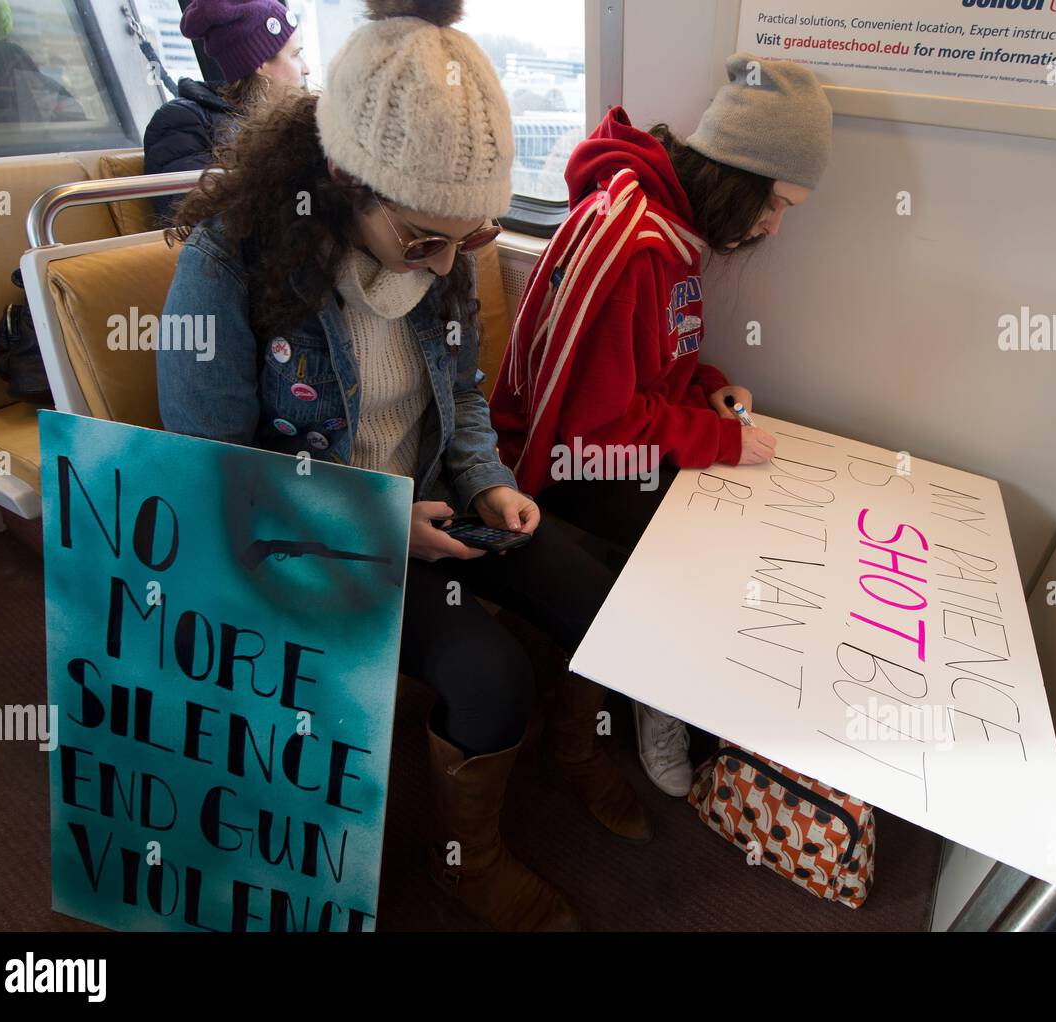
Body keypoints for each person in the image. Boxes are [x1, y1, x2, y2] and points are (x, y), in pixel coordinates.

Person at [155, 0, 649, 933]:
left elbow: (461, 395)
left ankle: (575, 752)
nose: (444, 264)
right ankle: (468, 866)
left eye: (469, 239)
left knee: (600, 594)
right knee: (490, 675)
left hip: (428, 508)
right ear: (347, 181)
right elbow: (211, 478)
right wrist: (376, 524)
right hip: (314, 542)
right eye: (423, 240)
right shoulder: (226, 267)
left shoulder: (441, 247)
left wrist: (488, 481)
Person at [489, 53, 833, 798]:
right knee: (698, 539)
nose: (774, 226)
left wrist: (708, 388)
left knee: (728, 507)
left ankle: (677, 684)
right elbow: (597, 428)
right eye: (775, 203)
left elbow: (655, 363)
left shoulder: (670, 227)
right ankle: (655, 697)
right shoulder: (638, 245)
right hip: (559, 462)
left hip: (601, 439)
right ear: (737, 176)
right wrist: (720, 440)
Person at [143, 0, 310, 222]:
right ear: (260, 63)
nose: (306, 69)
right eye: (296, 54)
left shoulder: (291, 122)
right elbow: (194, 216)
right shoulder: (182, 121)